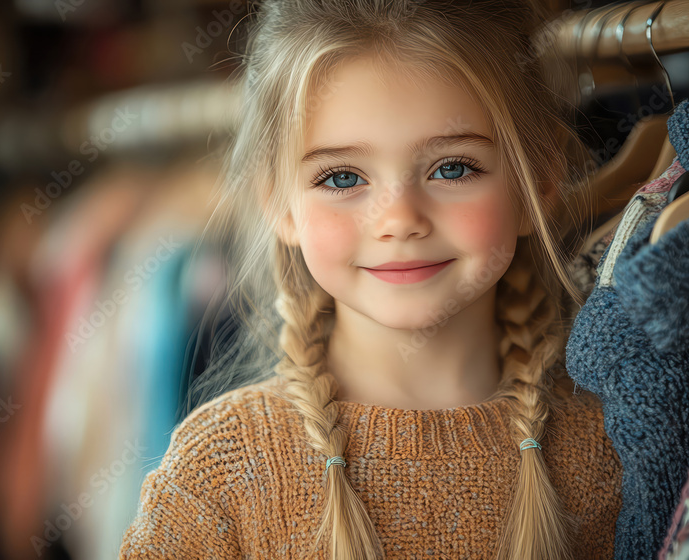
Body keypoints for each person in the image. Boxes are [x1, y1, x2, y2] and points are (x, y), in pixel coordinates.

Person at [119, 0, 622, 558]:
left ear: (540, 182)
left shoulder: (609, 452)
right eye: (342, 177)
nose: (399, 219)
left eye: (452, 167)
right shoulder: (218, 475)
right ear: (278, 204)